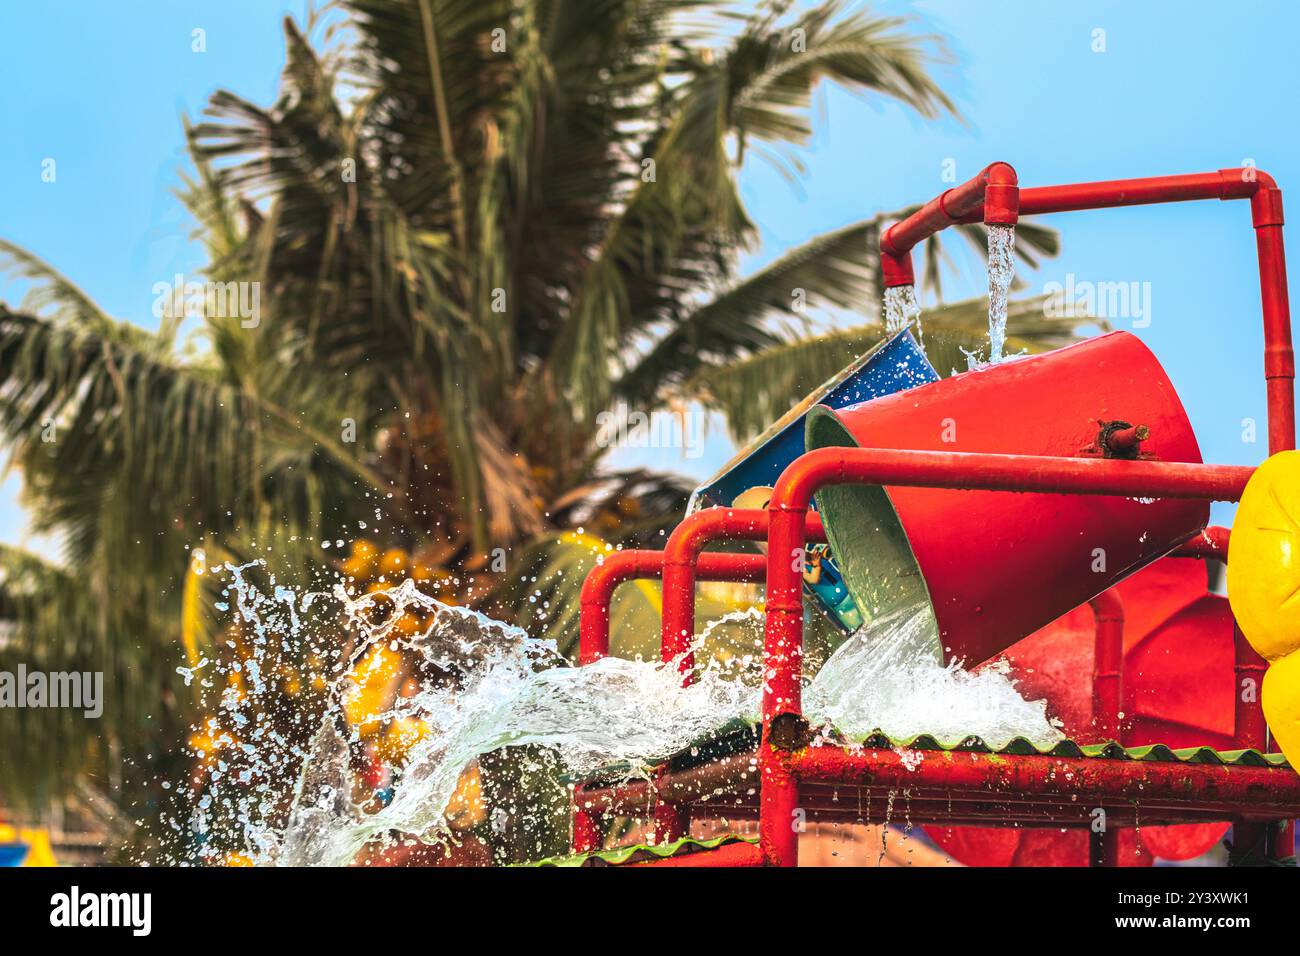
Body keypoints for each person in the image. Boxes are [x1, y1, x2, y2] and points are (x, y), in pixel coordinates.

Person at [731, 487, 863, 632]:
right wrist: (816, 566)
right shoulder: (796, 555)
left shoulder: (815, 532)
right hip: (842, 603)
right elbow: (811, 579)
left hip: (854, 588)